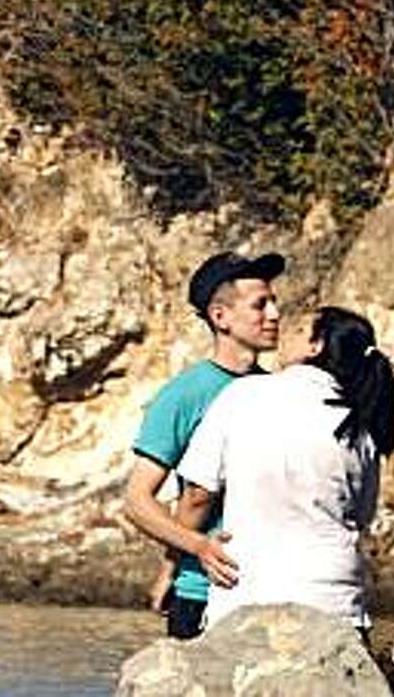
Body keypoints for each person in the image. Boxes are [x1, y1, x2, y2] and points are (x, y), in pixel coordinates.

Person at [174, 305, 394, 632]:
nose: (282, 333)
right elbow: (361, 515)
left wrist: (183, 548)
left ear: (315, 347)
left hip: (248, 596)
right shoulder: (360, 424)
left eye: (297, 330)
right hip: (334, 601)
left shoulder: (242, 395)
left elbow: (197, 495)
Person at [121, 250, 284, 640]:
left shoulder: (278, 391)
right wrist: (196, 550)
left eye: (275, 303)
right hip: (202, 594)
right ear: (220, 317)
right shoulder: (184, 395)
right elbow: (137, 502)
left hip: (272, 593)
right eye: (260, 304)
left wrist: (168, 565)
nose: (275, 315)